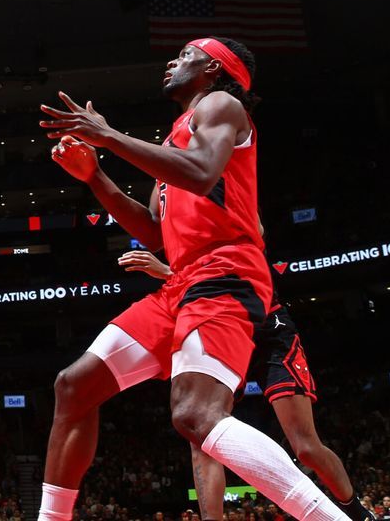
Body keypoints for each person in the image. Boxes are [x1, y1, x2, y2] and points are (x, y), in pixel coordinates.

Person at [35, 37, 345, 521]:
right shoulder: (170, 142)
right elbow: (152, 233)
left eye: (185, 56)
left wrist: (109, 137)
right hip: (181, 281)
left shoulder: (223, 105)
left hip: (227, 270)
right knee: (74, 387)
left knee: (195, 416)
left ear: (214, 69)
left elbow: (202, 174)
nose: (172, 61)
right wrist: (95, 176)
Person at [119, 250, 372, 521]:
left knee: (306, 448)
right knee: (201, 435)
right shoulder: (177, 230)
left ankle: (356, 512)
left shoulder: (231, 218)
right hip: (221, 324)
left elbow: (241, 262)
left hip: (266, 325)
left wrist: (170, 273)